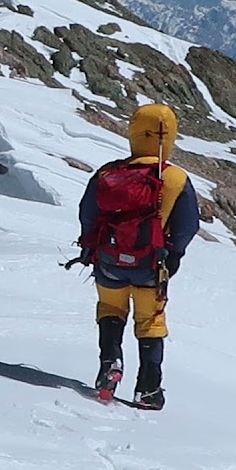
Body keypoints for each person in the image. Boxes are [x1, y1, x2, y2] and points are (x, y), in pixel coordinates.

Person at [67, 103, 199, 410]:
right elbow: (187, 226)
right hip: (152, 266)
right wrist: (173, 255)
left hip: (109, 263)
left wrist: (91, 248)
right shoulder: (176, 179)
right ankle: (148, 390)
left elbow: (88, 214)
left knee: (110, 309)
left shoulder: (108, 173)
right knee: (150, 322)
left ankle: (110, 364)